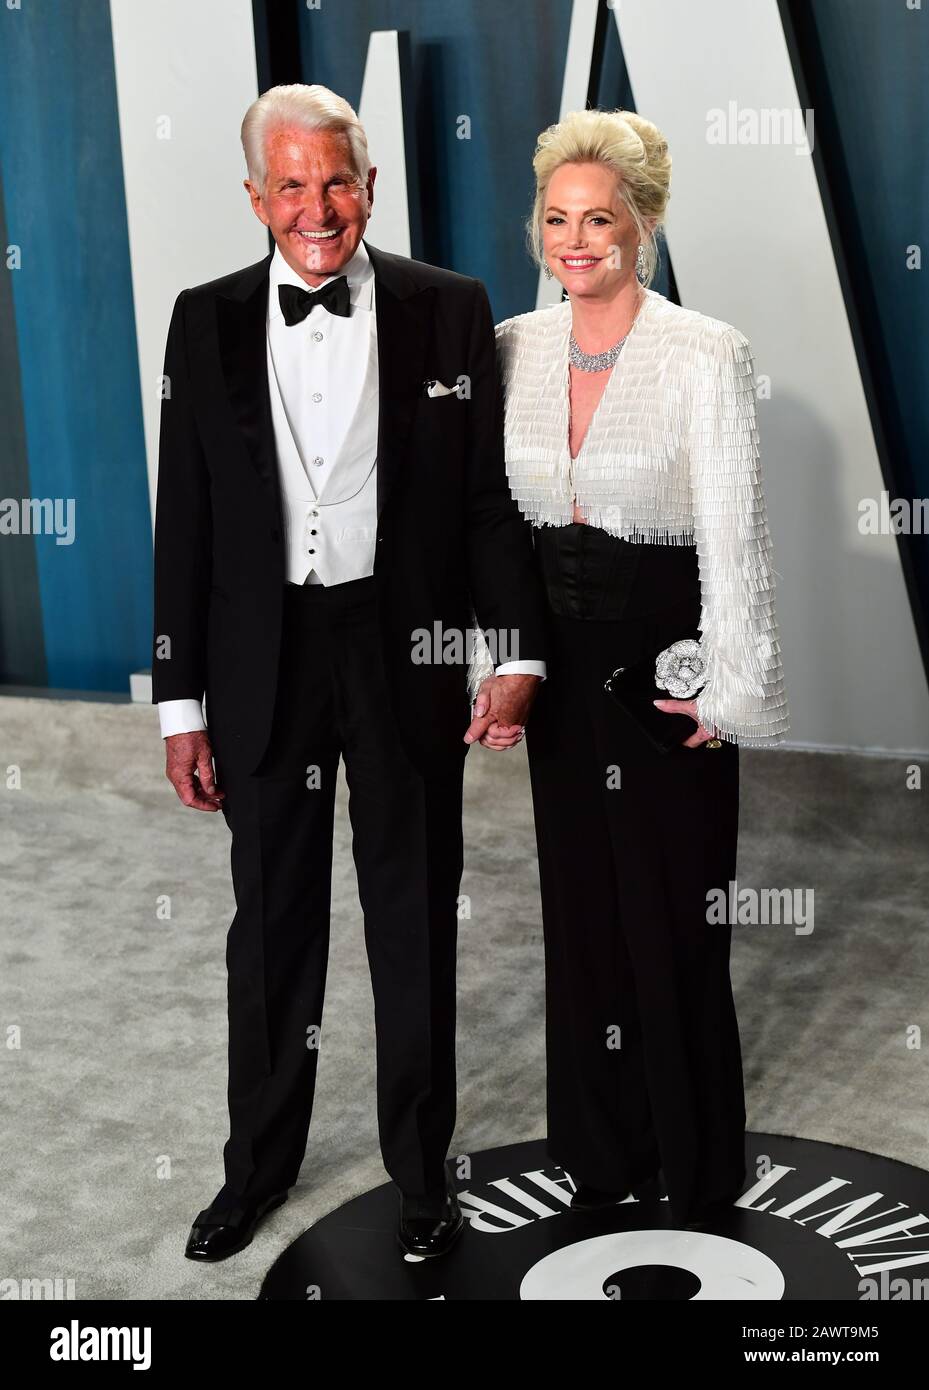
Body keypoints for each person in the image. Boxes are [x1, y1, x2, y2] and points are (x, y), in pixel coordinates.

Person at [152, 83, 547, 1262]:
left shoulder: (449, 307)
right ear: (254, 196)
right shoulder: (202, 317)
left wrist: (511, 647)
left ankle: (423, 1177)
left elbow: (485, 505)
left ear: (368, 185)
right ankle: (255, 1171)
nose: (314, 208)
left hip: (402, 649)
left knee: (412, 916)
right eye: (290, 184)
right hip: (260, 659)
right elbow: (187, 522)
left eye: (335, 181)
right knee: (270, 932)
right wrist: (180, 702)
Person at [470, 108, 789, 1228]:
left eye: (598, 218)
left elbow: (733, 535)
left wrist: (725, 690)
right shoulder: (507, 346)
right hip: (557, 663)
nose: (574, 239)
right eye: (556, 218)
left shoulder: (705, 352)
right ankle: (599, 1152)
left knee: (672, 916)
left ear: (641, 225)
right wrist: (502, 662)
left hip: (664, 660)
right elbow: (493, 532)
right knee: (582, 913)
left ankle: (696, 1160)